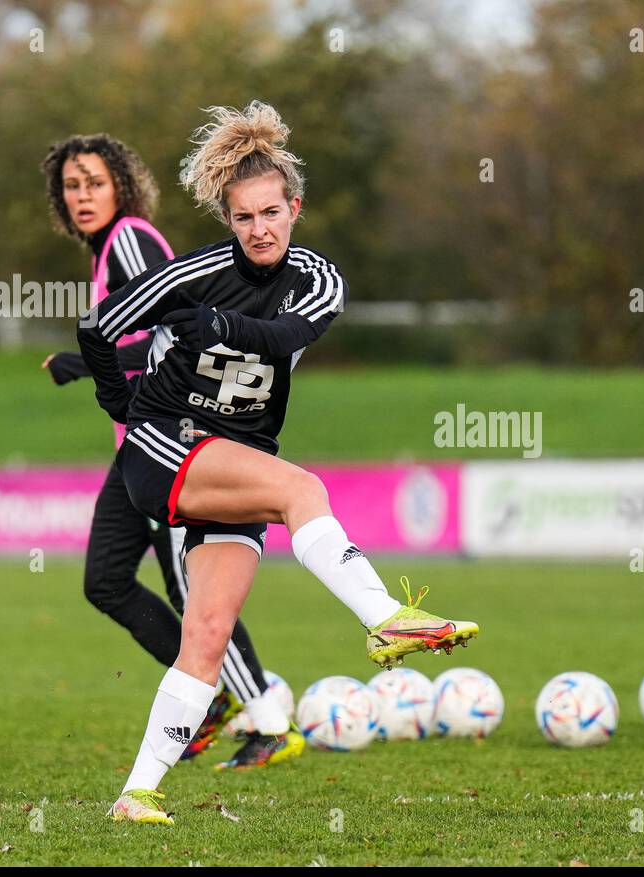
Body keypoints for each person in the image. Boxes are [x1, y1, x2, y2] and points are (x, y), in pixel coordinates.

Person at [76, 101, 479, 825]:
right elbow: (97, 325)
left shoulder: (319, 277)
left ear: (295, 208)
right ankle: (386, 617)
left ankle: (137, 793)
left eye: (270, 213)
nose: (259, 229)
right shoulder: (195, 272)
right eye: (243, 218)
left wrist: (218, 325)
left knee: (206, 635)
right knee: (303, 489)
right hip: (166, 444)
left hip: (233, 457)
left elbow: (284, 331)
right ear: (227, 221)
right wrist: (115, 399)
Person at [39, 133, 298, 769]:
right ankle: (218, 703)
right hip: (143, 443)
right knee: (107, 580)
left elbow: (168, 333)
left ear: (121, 185)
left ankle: (264, 716)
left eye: (94, 183)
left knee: (192, 588)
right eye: (72, 187)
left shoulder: (129, 239)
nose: (82, 197)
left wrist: (82, 361)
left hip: (172, 441)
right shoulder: (110, 247)